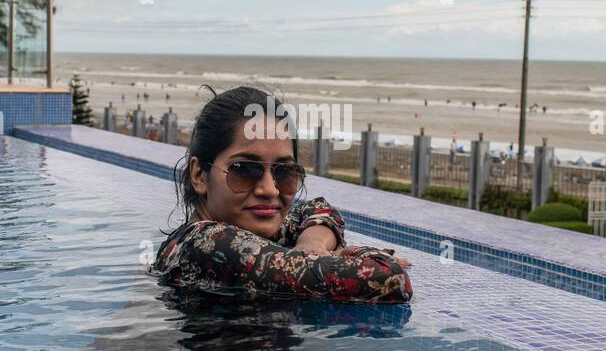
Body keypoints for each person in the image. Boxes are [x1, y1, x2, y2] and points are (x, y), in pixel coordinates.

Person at [151, 85, 413, 303]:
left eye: (284, 172)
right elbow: (389, 278)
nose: (269, 189)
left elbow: (316, 208)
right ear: (199, 176)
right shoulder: (208, 245)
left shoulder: (238, 232)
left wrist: (313, 243)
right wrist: (350, 254)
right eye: (244, 169)